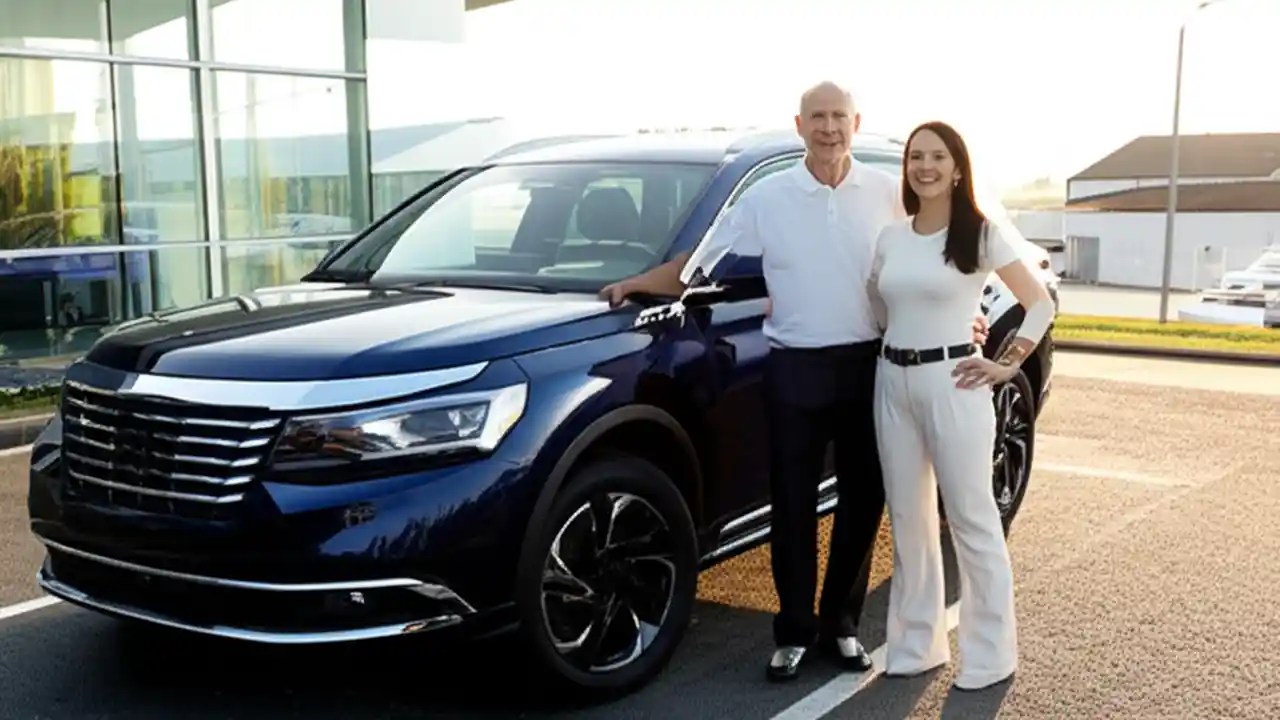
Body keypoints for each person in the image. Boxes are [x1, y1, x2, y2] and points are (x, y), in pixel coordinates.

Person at [600, 81, 986, 682]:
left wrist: (969, 315)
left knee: (862, 502)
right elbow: (700, 262)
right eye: (817, 117)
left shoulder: (889, 193)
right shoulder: (767, 198)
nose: (829, 127)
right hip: (794, 369)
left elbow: (943, 250)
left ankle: (842, 625)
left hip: (868, 365)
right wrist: (636, 284)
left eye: (839, 117)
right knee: (793, 506)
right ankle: (794, 632)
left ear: (856, 123)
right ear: (799, 124)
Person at [867, 120, 1053, 691]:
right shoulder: (893, 238)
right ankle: (917, 645)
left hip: (955, 382)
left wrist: (1006, 363)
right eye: (916, 156)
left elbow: (1038, 303)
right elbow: (879, 303)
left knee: (972, 519)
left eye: (937, 156)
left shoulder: (982, 232)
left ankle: (990, 654)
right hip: (892, 382)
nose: (925, 166)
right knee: (908, 519)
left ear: (957, 167)